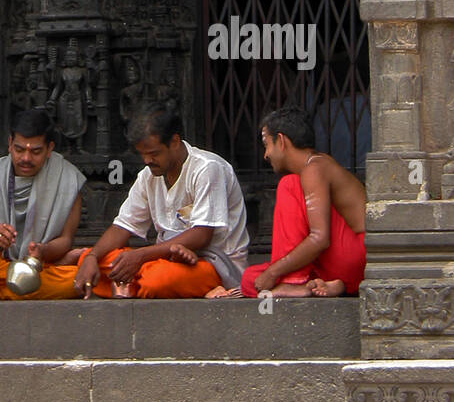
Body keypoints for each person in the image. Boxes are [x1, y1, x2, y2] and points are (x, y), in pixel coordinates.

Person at [75, 104, 248, 298]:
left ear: (174, 142)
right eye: (142, 154)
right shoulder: (147, 176)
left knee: (155, 281)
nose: (147, 160)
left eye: (154, 153)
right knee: (88, 261)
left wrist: (141, 256)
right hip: (166, 260)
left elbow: (202, 235)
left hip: (213, 263)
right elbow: (123, 226)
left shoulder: (208, 168)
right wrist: (92, 257)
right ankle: (133, 285)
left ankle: (133, 286)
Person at [0, 107, 85, 299]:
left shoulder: (69, 180)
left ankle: (6, 292)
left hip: (41, 267)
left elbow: (66, 240)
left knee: (75, 279)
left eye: (36, 151)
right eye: (19, 150)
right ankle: (18, 289)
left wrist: (42, 251)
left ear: (49, 148)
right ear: (10, 144)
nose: (26, 159)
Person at [237, 105, 366, 298]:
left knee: (290, 184)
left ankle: (293, 281)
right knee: (250, 279)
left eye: (266, 145)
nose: (266, 155)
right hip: (347, 268)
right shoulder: (316, 166)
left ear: (281, 141)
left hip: (355, 252)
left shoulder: (314, 168)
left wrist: (274, 272)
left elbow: (319, 238)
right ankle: (334, 285)